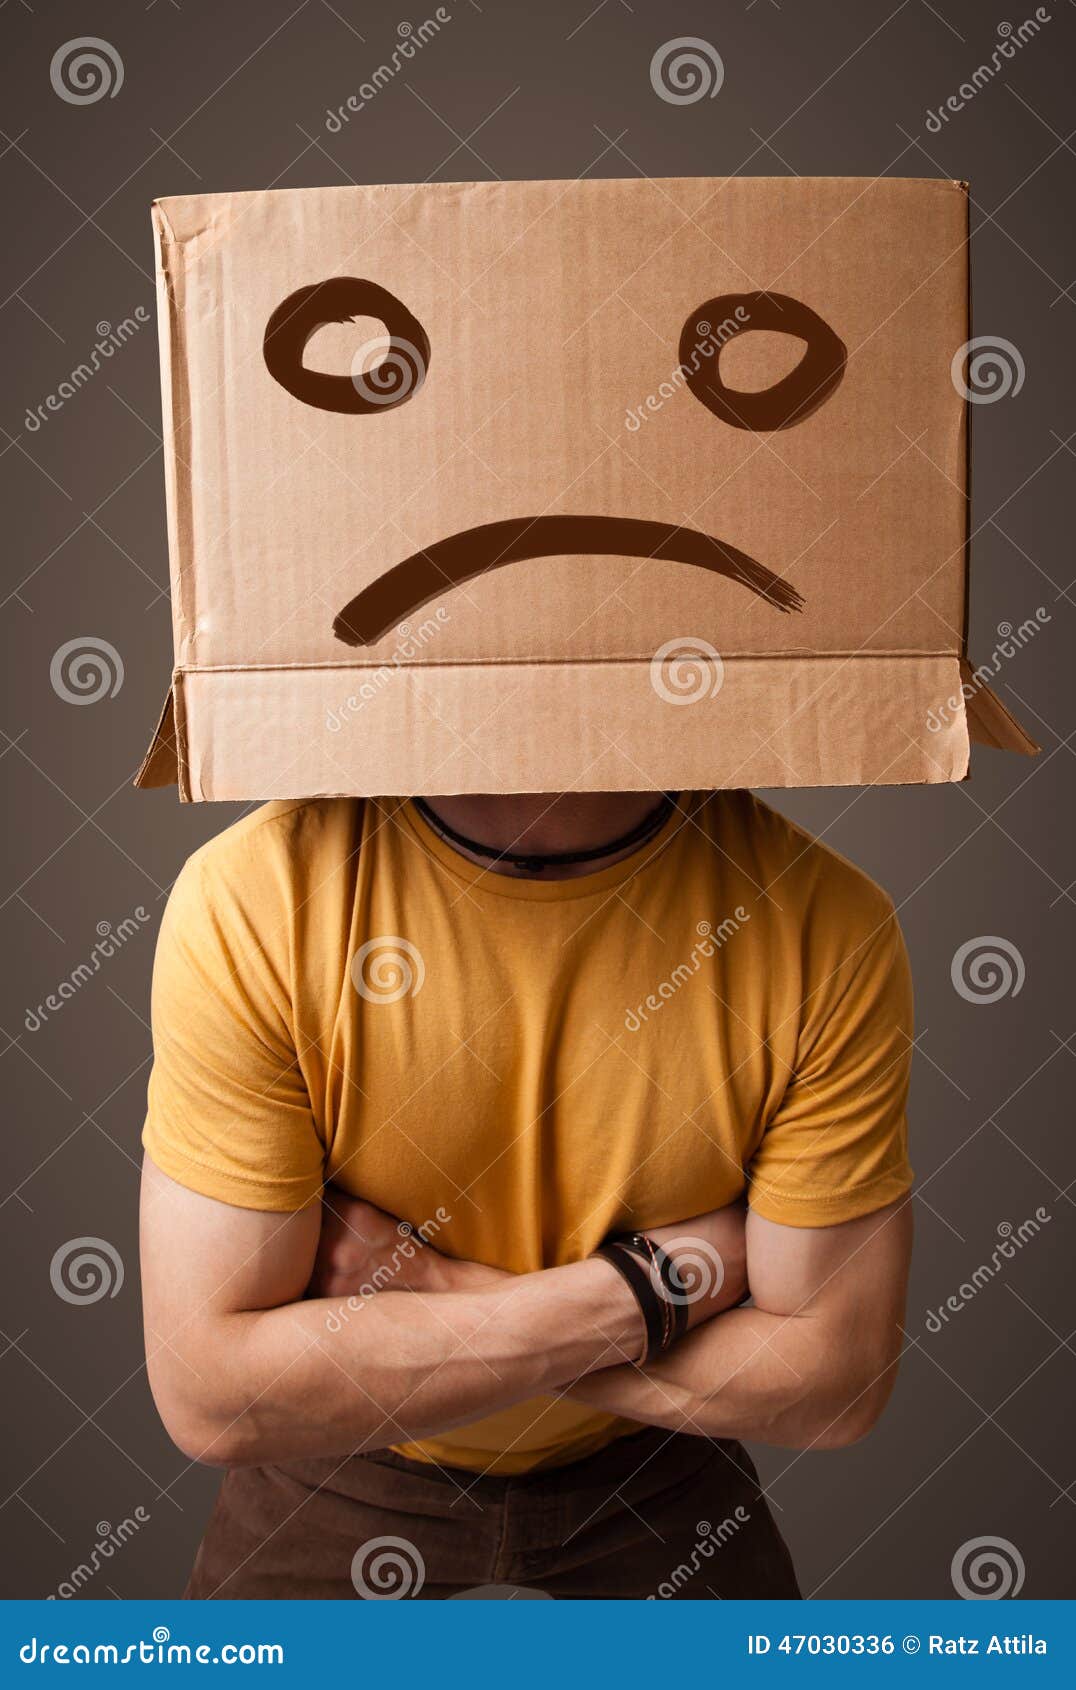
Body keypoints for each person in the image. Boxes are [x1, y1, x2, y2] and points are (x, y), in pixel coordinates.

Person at [139, 788, 914, 1599]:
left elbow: (835, 1381)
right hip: (339, 1463)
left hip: (659, 1474)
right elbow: (214, 1394)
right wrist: (650, 1292)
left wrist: (443, 1288)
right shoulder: (258, 893)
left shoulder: (824, 923)